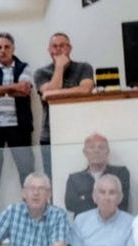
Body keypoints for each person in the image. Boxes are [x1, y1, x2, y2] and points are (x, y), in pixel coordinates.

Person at [0, 32, 35, 221]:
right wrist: (13, 88)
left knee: (27, 171)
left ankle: (32, 212)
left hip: (19, 127)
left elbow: (25, 90)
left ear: (13, 48)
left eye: (6, 47)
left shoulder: (24, 67)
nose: (3, 50)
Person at [33, 32, 94, 178]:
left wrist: (53, 94)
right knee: (53, 178)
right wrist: (59, 67)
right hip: (50, 136)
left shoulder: (84, 68)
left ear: (70, 48)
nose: (59, 49)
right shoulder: (40, 73)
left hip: (78, 132)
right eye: (54, 46)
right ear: (49, 50)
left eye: (63, 46)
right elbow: (48, 94)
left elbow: (86, 90)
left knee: (79, 178)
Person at [64, 133, 131, 215]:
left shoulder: (120, 173)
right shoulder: (74, 179)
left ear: (107, 152)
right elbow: (71, 205)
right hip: (85, 225)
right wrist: (107, 201)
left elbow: (122, 202)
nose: (96, 151)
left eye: (101, 147)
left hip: (115, 223)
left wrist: (85, 197)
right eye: (91, 147)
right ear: (85, 152)